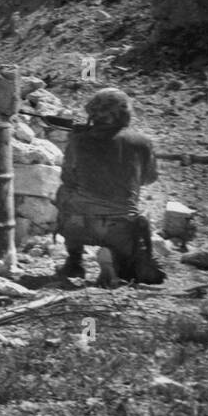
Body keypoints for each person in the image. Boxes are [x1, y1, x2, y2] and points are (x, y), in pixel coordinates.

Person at [56, 88, 164, 286]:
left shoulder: (78, 139)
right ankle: (118, 260)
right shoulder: (143, 142)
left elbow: (67, 178)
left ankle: (74, 261)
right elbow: (149, 178)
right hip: (121, 231)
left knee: (63, 192)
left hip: (79, 226)